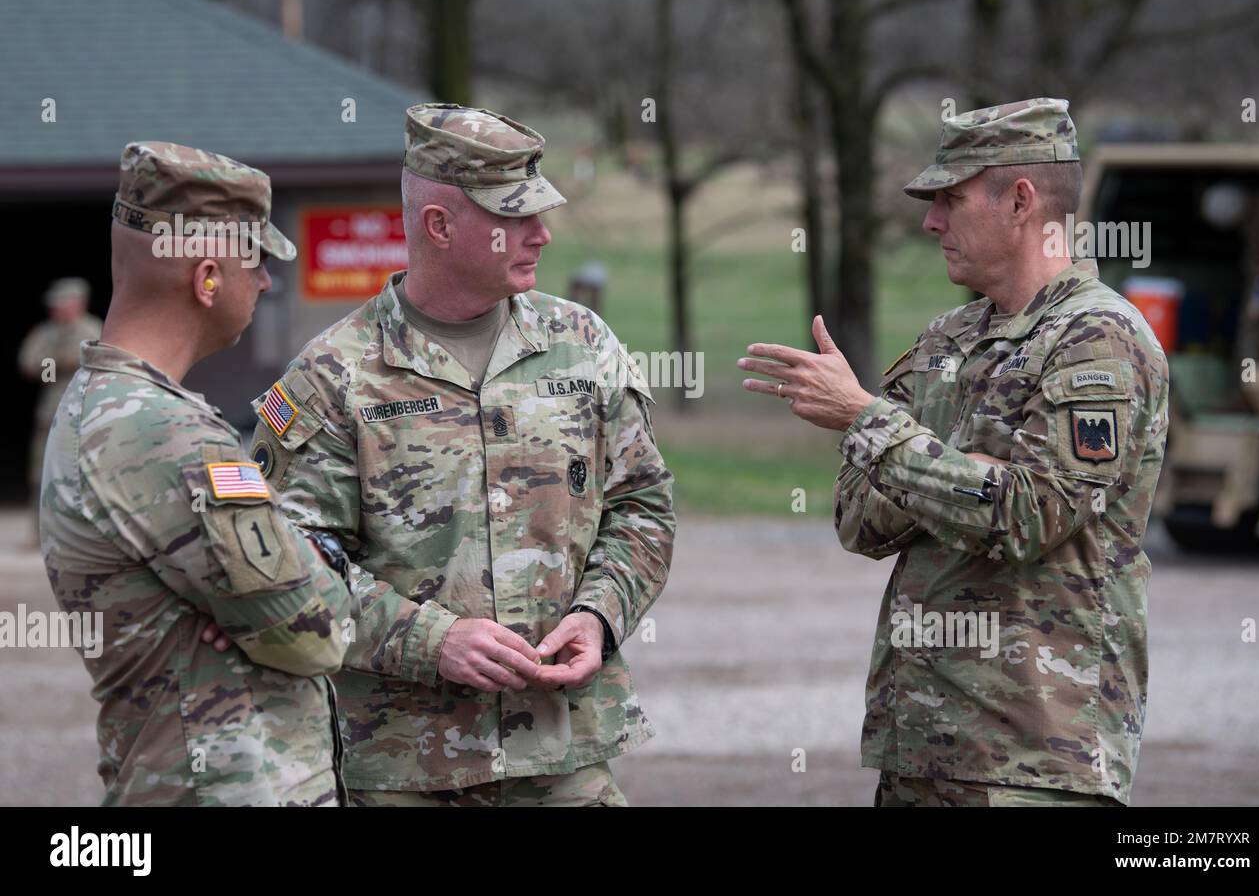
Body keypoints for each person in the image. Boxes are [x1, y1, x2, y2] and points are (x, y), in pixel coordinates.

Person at [738, 98, 1169, 806]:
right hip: (920, 748)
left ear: (1022, 201)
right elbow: (858, 521)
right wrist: (957, 471)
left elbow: (1027, 517)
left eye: (950, 199)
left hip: (1033, 757)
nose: (930, 221)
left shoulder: (1098, 341)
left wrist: (871, 424)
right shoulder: (947, 341)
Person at [251, 103, 675, 806]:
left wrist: (600, 613)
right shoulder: (334, 375)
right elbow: (291, 566)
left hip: (561, 753)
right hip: (403, 766)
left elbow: (642, 506)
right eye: (514, 218)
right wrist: (428, 640)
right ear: (440, 226)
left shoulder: (583, 345)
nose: (541, 233)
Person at [41, 141, 356, 806]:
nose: (266, 281)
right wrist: (315, 568)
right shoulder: (164, 434)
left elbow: (283, 613)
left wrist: (272, 596)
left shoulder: (105, 405)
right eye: (258, 263)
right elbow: (316, 635)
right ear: (207, 277)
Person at [18, 278, 102, 543]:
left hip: (84, 415)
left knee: (82, 475)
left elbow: (98, 364)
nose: (55, 310)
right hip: (50, 414)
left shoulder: (93, 329)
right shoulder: (46, 333)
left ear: (78, 303)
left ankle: (80, 534)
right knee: (41, 473)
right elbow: (32, 365)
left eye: (62, 304)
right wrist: (60, 362)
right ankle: (39, 533)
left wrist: (57, 363)